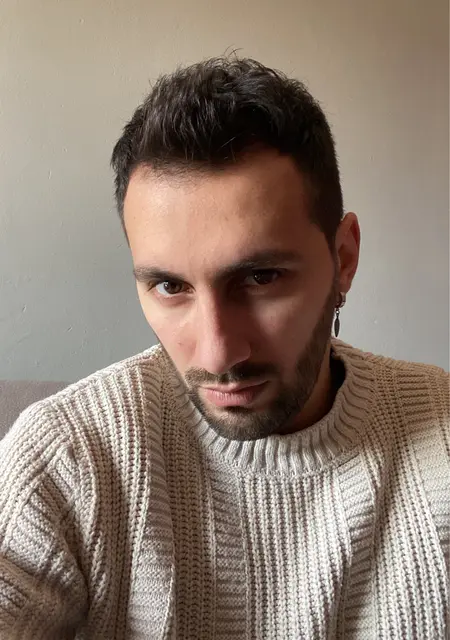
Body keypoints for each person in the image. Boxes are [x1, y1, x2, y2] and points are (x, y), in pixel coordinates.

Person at [0, 57, 448, 640]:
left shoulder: (441, 432)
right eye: (170, 286)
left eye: (260, 278)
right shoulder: (70, 455)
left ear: (343, 258)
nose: (217, 354)